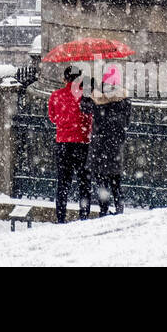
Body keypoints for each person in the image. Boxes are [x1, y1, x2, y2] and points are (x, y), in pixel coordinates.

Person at [80, 66, 132, 216]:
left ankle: (104, 210)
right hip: (115, 144)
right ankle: (119, 209)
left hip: (100, 144)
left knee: (102, 180)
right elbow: (126, 122)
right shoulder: (125, 100)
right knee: (116, 180)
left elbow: (83, 107)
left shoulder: (98, 99)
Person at [47, 63, 92, 223]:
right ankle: (84, 215)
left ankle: (60, 216)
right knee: (84, 182)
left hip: (63, 143)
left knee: (63, 183)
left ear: (64, 78)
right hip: (82, 143)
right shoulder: (85, 95)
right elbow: (90, 118)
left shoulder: (56, 95)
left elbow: (52, 118)